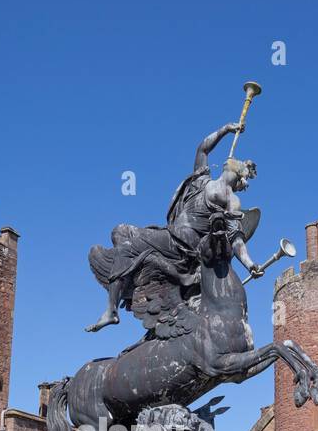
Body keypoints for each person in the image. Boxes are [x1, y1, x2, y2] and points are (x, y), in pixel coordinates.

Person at [85, 121, 264, 331]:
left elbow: (236, 238)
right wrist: (225, 130)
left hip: (184, 243)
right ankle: (137, 283)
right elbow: (203, 149)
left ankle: (111, 311)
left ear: (240, 175)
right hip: (171, 234)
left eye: (239, 164)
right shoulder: (201, 180)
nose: (233, 161)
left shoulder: (231, 199)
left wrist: (249, 263)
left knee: (126, 248)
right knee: (120, 231)